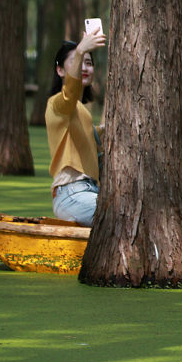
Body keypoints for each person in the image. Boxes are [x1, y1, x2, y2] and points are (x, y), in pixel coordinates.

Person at [45, 29, 106, 226]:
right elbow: (69, 95)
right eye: (77, 62)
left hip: (91, 192)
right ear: (60, 71)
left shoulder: (82, 111)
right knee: (121, 215)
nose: (84, 67)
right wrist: (80, 51)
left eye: (89, 63)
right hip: (71, 194)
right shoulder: (57, 104)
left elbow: (89, 137)